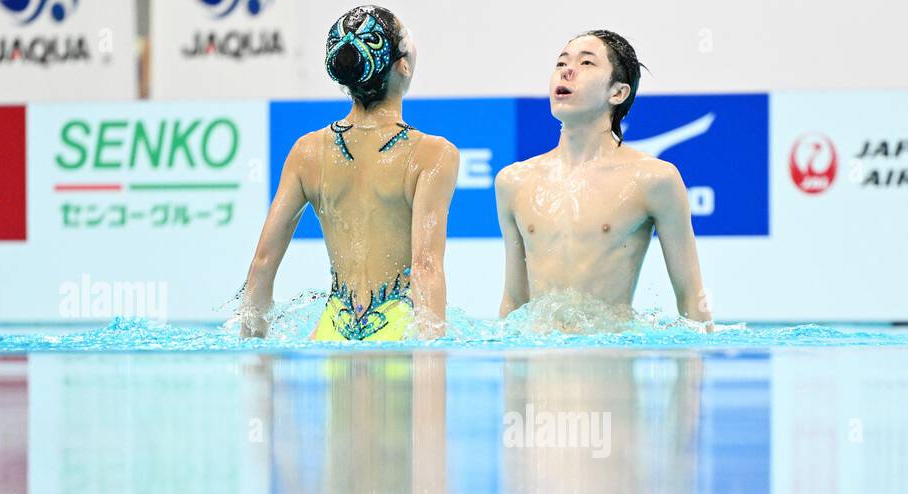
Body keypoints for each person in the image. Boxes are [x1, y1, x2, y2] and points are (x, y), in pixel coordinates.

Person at [237, 5, 459, 340]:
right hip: (396, 329)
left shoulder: (307, 152)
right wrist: (433, 364)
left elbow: (262, 264)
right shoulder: (432, 154)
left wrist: (252, 356)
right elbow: (426, 268)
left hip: (330, 330)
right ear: (404, 65)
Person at [494, 30, 713, 332]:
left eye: (586, 63)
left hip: (612, 364)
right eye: (561, 63)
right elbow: (514, 301)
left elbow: (691, 298)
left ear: (618, 93)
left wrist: (693, 377)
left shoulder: (653, 179)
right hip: (540, 366)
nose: (567, 70)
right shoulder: (514, 182)